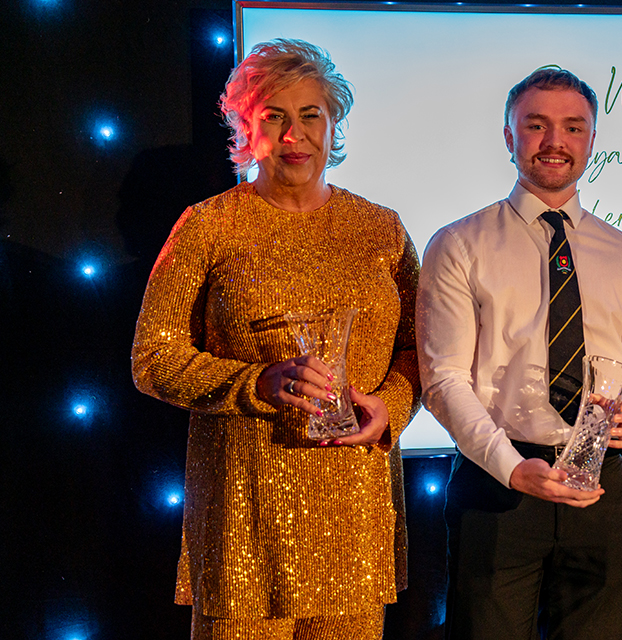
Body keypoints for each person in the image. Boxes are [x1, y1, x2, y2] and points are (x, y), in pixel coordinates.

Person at [131, 39, 420, 638]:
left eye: (311, 115)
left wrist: (390, 401)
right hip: (244, 512)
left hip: (353, 514)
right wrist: (255, 381)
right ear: (246, 126)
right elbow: (152, 359)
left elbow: (423, 351)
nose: (295, 135)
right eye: (274, 117)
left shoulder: (381, 228)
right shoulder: (208, 224)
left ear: (333, 124)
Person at [416, 68, 622, 640]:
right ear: (510, 138)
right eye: (537, 125)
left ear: (590, 140)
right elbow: (444, 380)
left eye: (573, 127)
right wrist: (512, 468)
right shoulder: (459, 244)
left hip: (605, 486)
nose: (556, 141)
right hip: (497, 487)